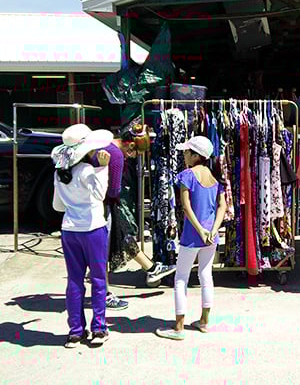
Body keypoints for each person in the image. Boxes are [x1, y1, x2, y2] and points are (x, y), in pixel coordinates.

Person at [90, 122, 174, 311]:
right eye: (135, 153)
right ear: (130, 145)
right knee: (104, 250)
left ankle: (150, 269)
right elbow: (113, 190)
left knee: (102, 249)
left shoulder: (103, 145)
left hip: (84, 205)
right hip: (102, 205)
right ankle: (104, 294)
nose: (134, 157)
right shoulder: (117, 155)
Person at [156, 136, 227, 340]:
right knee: (206, 275)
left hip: (192, 236)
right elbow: (222, 206)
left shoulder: (186, 175)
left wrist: (200, 230)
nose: (184, 155)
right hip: (210, 237)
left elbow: (186, 208)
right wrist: (213, 229)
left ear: (196, 155)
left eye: (187, 152)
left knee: (181, 278)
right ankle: (204, 321)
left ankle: (178, 327)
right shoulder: (215, 178)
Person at [51, 124, 114, 348]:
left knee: (74, 281)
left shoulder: (59, 174)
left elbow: (57, 206)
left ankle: (75, 331)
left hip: (69, 230)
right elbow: (99, 195)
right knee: (98, 279)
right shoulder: (87, 170)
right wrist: (103, 168)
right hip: (93, 228)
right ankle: (99, 328)